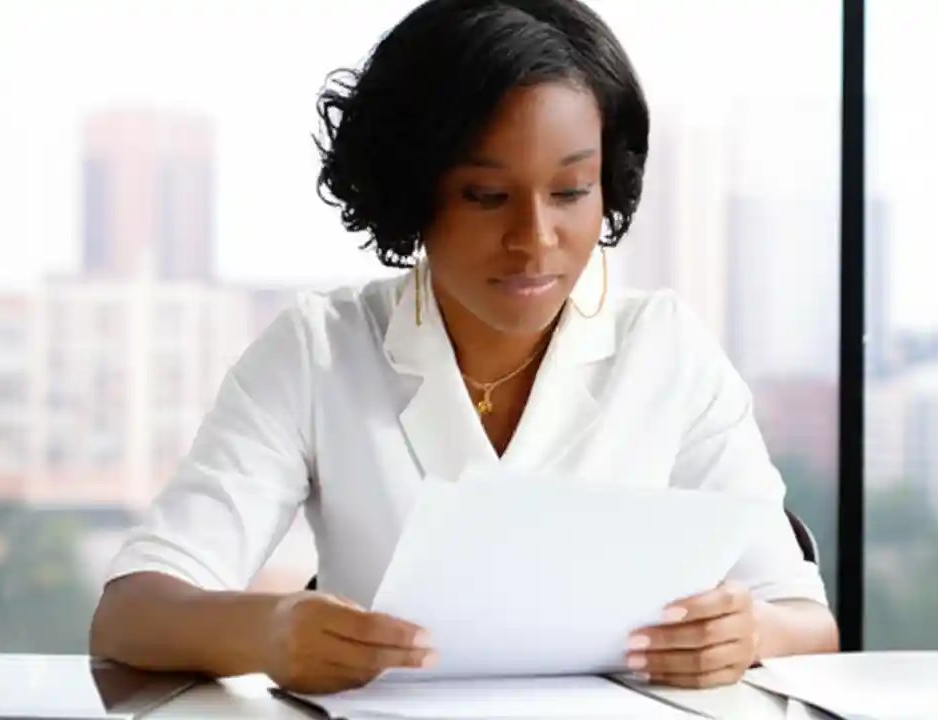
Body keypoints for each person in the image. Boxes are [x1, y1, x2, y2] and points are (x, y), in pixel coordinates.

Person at [89, 0, 838, 695]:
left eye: (572, 192)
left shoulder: (667, 350)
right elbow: (129, 616)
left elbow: (808, 624)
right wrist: (270, 630)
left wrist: (746, 633)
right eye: (486, 197)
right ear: (412, 192)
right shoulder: (319, 351)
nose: (535, 239)